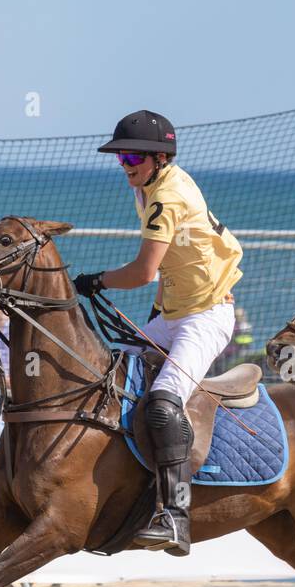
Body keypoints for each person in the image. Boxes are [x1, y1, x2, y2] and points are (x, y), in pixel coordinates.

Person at [72, 110, 243, 556]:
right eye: (120, 157)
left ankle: (175, 516)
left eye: (131, 157)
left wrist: (96, 280)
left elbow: (144, 271)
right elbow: (167, 270)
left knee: (165, 403)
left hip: (206, 317)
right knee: (107, 373)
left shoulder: (166, 196)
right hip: (173, 313)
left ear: (159, 157)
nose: (124, 165)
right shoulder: (149, 188)